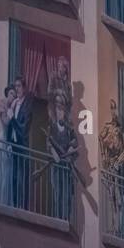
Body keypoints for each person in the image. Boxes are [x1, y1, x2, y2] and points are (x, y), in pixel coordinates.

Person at [46, 90, 78, 222]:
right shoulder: (52, 127)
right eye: (58, 108)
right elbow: (48, 143)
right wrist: (54, 154)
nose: (60, 111)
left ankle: (65, 219)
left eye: (62, 108)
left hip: (66, 168)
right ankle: (57, 219)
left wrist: (70, 151)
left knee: (66, 196)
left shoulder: (70, 129)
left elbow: (74, 143)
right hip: (56, 166)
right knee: (57, 194)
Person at [7, 76, 31, 209]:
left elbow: (24, 128)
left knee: (23, 177)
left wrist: (12, 119)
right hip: (14, 144)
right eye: (15, 86)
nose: (17, 89)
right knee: (14, 176)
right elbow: (11, 126)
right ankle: (15, 205)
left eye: (19, 86)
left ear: (24, 88)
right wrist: (9, 142)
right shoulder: (15, 103)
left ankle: (24, 207)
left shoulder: (27, 105)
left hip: (23, 145)